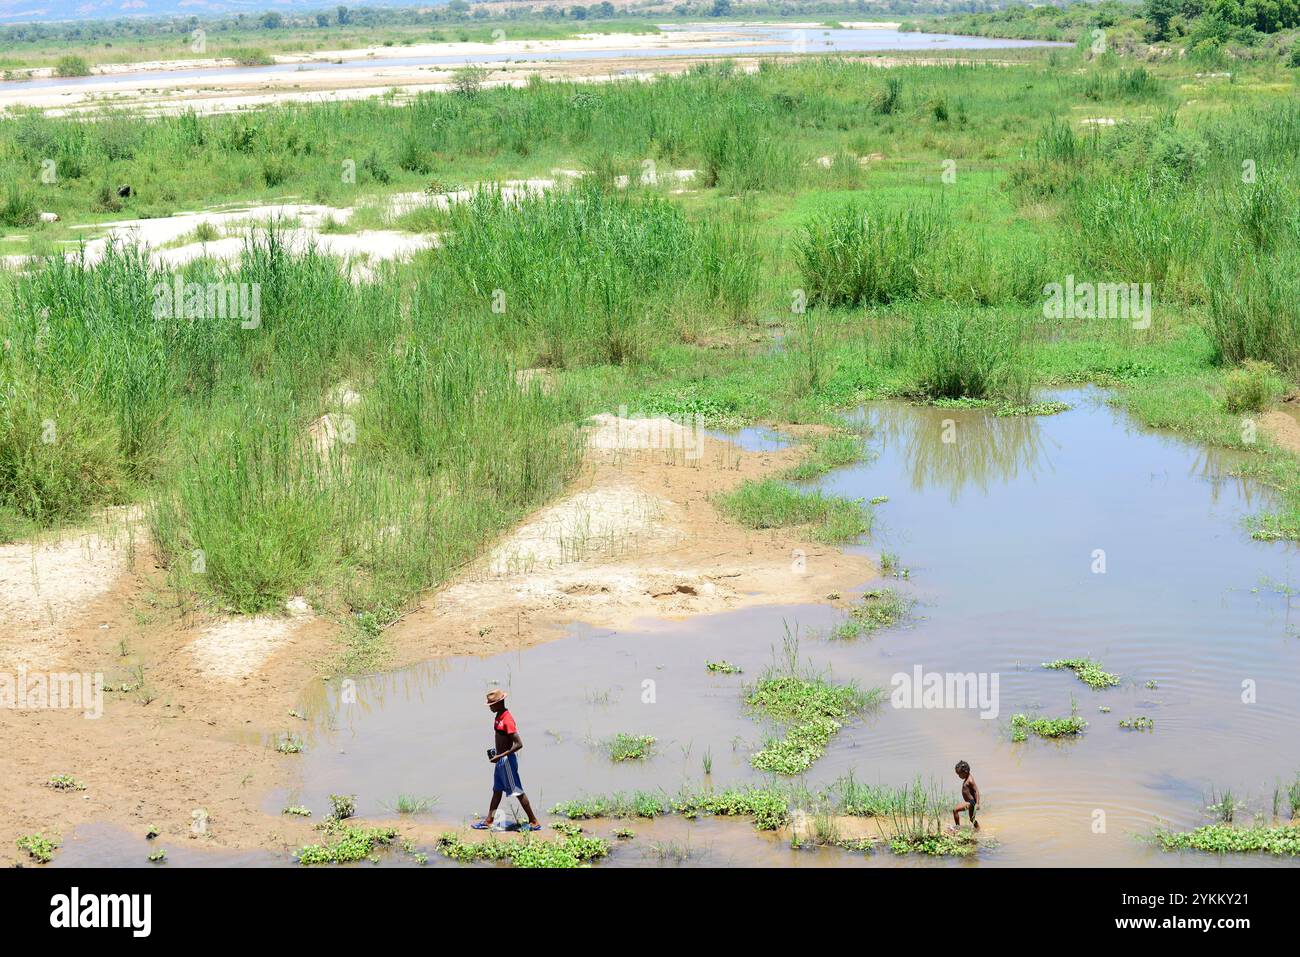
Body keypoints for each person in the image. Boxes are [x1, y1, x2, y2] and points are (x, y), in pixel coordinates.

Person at [472, 688, 541, 831]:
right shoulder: (498, 716)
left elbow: (519, 744)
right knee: (497, 791)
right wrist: (497, 755)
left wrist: (501, 755)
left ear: (500, 702)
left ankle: (534, 822)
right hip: (500, 761)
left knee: (517, 791)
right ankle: (489, 820)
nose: (490, 707)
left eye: (492, 704)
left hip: (507, 761)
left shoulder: (507, 719)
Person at [951, 759, 980, 830]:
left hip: (970, 802)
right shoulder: (967, 778)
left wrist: (978, 803)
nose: (959, 776)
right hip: (970, 802)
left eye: (959, 774)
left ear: (965, 772)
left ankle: (957, 827)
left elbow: (976, 791)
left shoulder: (970, 780)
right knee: (972, 819)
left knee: (955, 810)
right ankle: (978, 829)